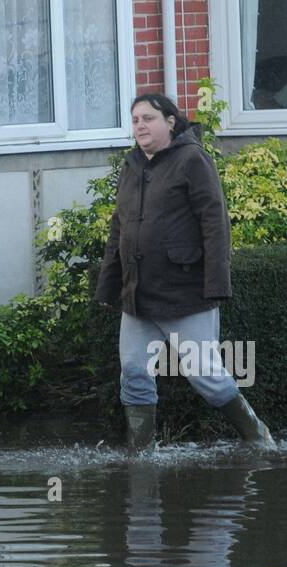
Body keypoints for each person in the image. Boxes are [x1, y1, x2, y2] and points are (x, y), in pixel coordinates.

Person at [94, 92, 276, 452]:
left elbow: (215, 223)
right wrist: (108, 286)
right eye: (135, 120)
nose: (140, 126)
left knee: (206, 377)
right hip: (138, 296)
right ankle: (141, 453)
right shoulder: (131, 168)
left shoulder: (193, 159)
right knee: (133, 372)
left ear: (170, 122)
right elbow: (119, 229)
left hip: (185, 294)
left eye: (148, 118)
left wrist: (216, 283)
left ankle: (258, 436)